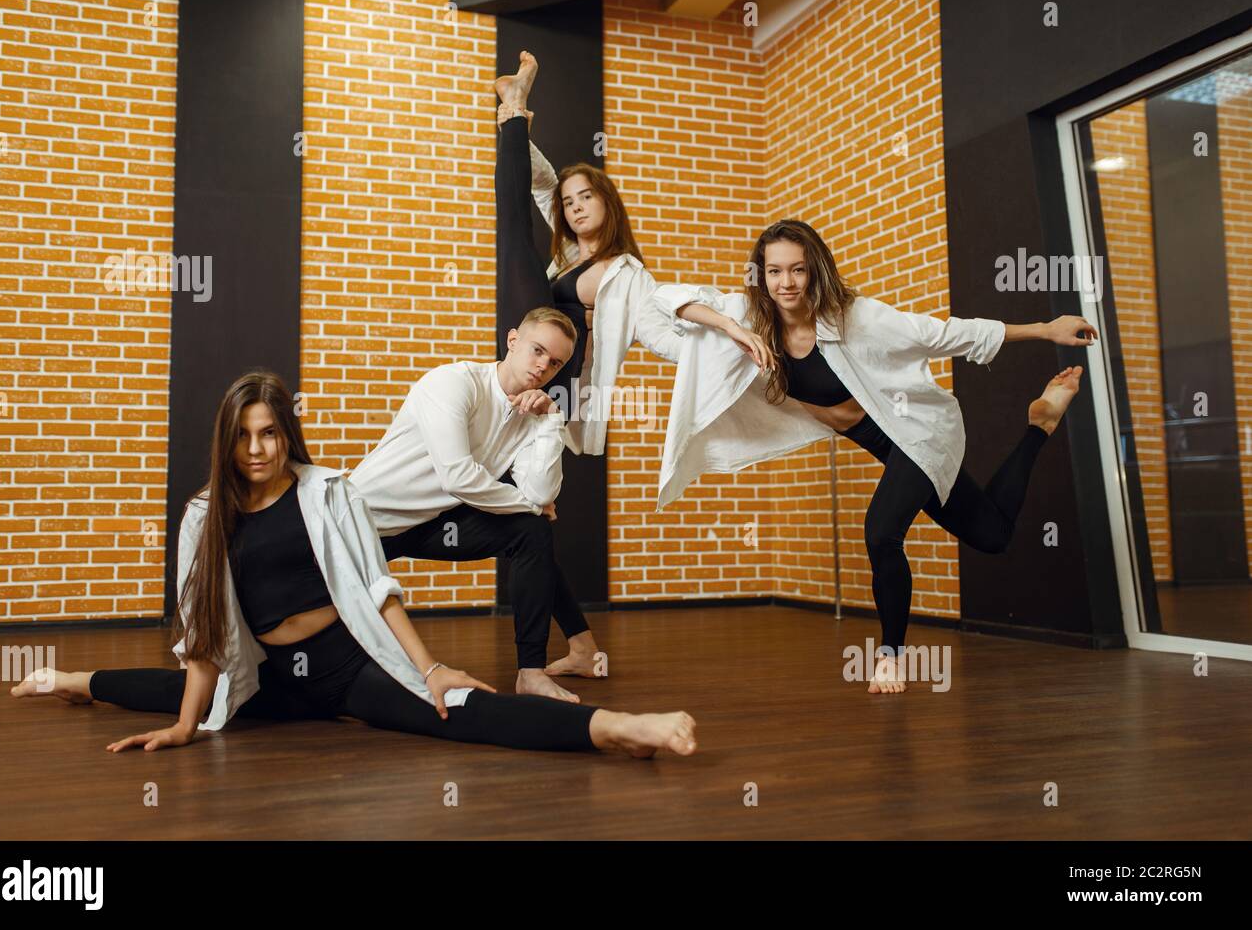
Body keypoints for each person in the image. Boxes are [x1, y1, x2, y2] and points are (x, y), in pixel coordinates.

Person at [10, 370, 697, 759]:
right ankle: (73, 680)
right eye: (245, 435)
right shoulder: (202, 517)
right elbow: (204, 638)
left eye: (270, 432)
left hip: (347, 664)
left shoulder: (329, 490)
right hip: (272, 673)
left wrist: (429, 669)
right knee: (176, 691)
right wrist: (188, 727)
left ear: (287, 433)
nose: (257, 448)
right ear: (227, 440)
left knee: (461, 711)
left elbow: (379, 587)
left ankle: (616, 726)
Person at [651, 219, 1097, 693]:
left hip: (918, 433)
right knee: (992, 534)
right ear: (759, 273)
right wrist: (728, 327)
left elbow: (942, 333)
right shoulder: (748, 317)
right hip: (881, 442)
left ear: (815, 270)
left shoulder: (854, 317)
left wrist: (1046, 329)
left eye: (798, 270)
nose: (786, 283)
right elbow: (661, 301)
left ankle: (891, 656)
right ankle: (1040, 424)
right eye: (775, 271)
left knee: (881, 532)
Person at [492, 49, 772, 453]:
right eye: (569, 202)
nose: (576, 207)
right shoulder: (570, 250)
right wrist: (520, 133)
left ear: (607, 202)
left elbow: (666, 312)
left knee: (515, 238)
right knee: (515, 230)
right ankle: (514, 112)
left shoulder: (624, 275)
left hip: (556, 380)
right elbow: (541, 186)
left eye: (586, 197)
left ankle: (514, 113)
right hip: (525, 354)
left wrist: (728, 329)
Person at [349, 308, 605, 703]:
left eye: (555, 363)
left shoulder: (534, 415)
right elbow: (458, 475)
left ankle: (531, 673)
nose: (543, 366)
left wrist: (552, 422)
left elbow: (540, 493)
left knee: (531, 533)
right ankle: (583, 648)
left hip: (430, 523)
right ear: (513, 340)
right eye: (537, 350)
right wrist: (529, 505)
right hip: (361, 524)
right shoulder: (454, 382)